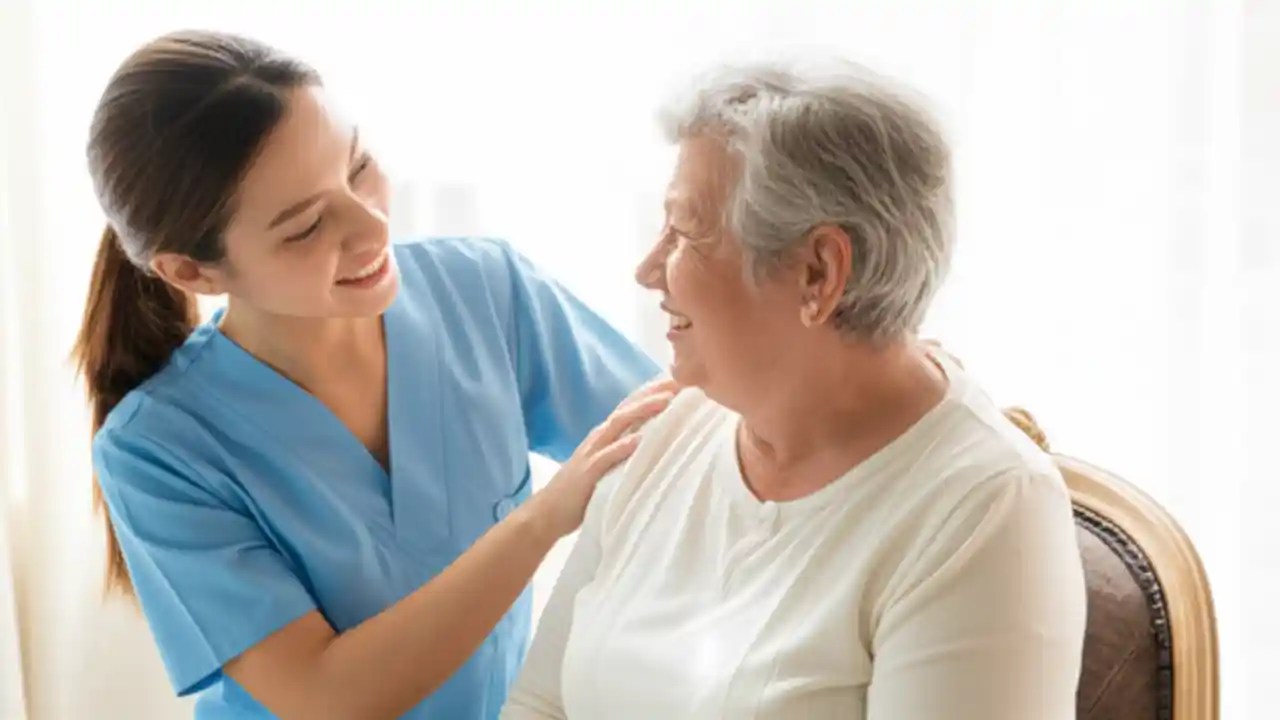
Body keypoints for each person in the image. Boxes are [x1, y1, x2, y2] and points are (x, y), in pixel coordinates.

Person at [72, 30, 671, 719]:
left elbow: (683, 448)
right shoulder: (156, 450)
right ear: (192, 271)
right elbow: (326, 697)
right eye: (305, 226)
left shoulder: (484, 290)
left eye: (357, 168)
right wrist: (542, 519)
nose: (371, 227)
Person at [502, 59, 1087, 719]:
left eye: (685, 234)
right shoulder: (666, 428)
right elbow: (539, 704)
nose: (647, 270)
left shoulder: (985, 509)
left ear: (818, 272)